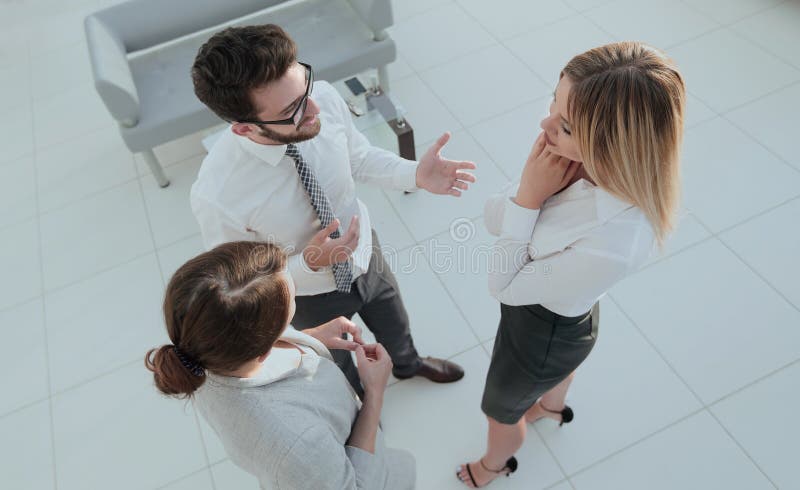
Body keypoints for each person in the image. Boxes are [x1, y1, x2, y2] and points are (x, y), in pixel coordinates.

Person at [190, 24, 472, 396]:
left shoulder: (319, 97)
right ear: (244, 129)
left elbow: (358, 157)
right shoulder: (217, 195)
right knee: (336, 360)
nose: (315, 108)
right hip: (308, 296)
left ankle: (407, 364)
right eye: (292, 109)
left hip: (365, 254)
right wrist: (309, 263)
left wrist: (413, 174)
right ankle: (359, 402)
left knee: (395, 321)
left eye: (304, 85)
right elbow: (244, 285)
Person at [457, 41, 685, 487]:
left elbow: (503, 286)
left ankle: (493, 466)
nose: (544, 126)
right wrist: (533, 187)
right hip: (572, 316)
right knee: (561, 369)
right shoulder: (569, 155)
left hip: (544, 331)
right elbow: (490, 216)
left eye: (564, 125)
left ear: (613, 145)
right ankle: (551, 407)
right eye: (553, 104)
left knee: (500, 411)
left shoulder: (614, 239)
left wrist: (528, 195)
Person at [145, 241, 415, 489]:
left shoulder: (199, 347)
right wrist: (374, 392)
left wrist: (309, 338)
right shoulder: (295, 445)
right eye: (290, 305)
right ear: (262, 346)